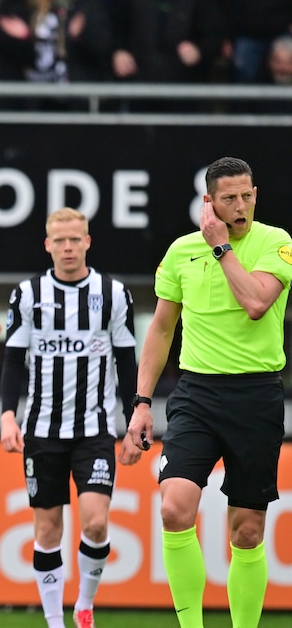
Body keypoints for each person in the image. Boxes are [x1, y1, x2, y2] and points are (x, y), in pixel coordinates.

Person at [129, 156, 292, 628]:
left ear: (256, 195)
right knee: (175, 506)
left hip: (256, 395)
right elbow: (160, 330)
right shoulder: (180, 251)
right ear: (209, 202)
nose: (240, 206)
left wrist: (222, 250)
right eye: (228, 198)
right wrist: (141, 402)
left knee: (246, 530)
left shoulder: (275, 242)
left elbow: (257, 302)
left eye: (246, 195)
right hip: (196, 394)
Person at [0, 208, 143, 628]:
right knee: (47, 531)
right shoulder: (27, 295)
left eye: (75, 239)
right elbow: (12, 362)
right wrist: (8, 416)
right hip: (42, 431)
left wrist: (134, 423)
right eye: (59, 240)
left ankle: (84, 604)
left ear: (87, 242)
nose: (67, 247)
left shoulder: (113, 294)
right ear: (47, 245)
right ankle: (53, 620)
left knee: (96, 523)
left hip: (94, 429)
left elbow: (126, 363)